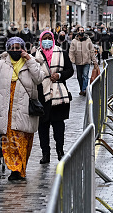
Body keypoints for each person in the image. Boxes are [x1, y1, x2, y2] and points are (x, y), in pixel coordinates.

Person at [0, 37, 45, 181]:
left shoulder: (30, 62)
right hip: (6, 108)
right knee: (9, 140)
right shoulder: (1, 64)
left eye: (18, 47)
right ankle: (14, 169)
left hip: (24, 107)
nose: (15, 50)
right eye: (12, 48)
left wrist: (29, 59)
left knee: (23, 139)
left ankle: (21, 168)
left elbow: (39, 78)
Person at [35, 31, 74, 164]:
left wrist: (59, 75)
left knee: (58, 126)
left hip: (59, 95)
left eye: (49, 38)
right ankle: (45, 154)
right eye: (44, 39)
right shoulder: (35, 55)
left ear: (53, 39)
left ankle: (60, 151)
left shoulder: (61, 53)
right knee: (43, 127)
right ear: (41, 40)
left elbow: (70, 70)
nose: (47, 41)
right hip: (42, 96)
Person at [69, 26, 98, 96]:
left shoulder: (88, 40)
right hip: (78, 62)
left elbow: (92, 51)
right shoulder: (74, 41)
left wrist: (94, 61)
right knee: (79, 77)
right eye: (80, 30)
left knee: (85, 75)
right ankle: (81, 88)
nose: (81, 32)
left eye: (83, 30)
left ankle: (84, 89)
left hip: (86, 61)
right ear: (77, 31)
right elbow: (71, 51)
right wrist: (72, 60)